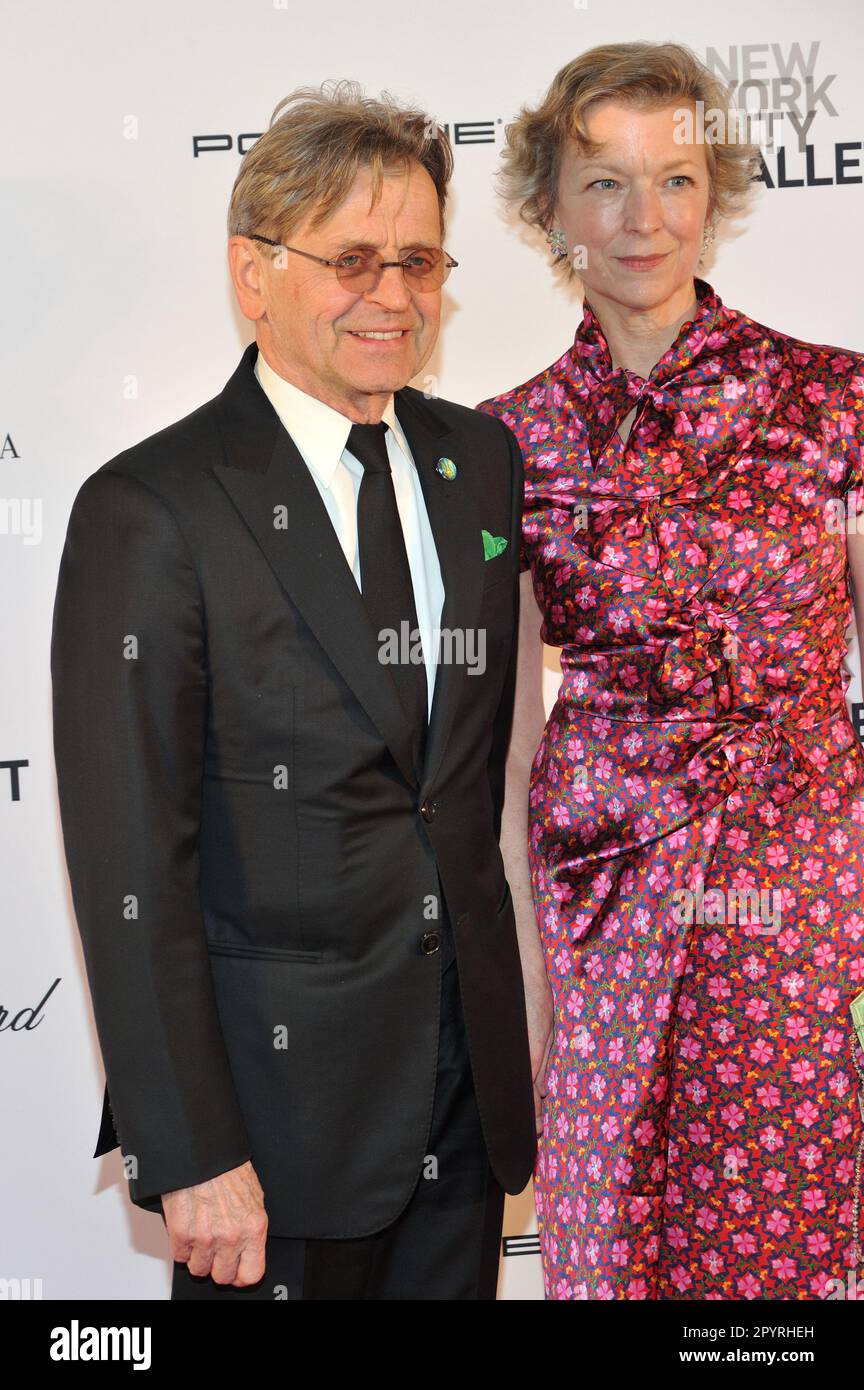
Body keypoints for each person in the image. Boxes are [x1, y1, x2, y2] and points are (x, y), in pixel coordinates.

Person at [51, 80, 540, 1301]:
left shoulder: (477, 464)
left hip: (463, 1111)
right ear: (253, 271)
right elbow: (129, 862)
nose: (395, 294)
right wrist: (195, 1147)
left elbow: (452, 791)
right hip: (270, 1134)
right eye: (354, 258)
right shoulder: (150, 508)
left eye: (421, 260)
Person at [476, 41, 864, 1300]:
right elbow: (510, 748)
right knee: (611, 1261)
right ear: (548, 207)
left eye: (676, 180)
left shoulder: (833, 402)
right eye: (603, 182)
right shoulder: (503, 444)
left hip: (800, 919)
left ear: (717, 196)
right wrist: (525, 997)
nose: (642, 221)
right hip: (599, 927)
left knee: (787, 1274)